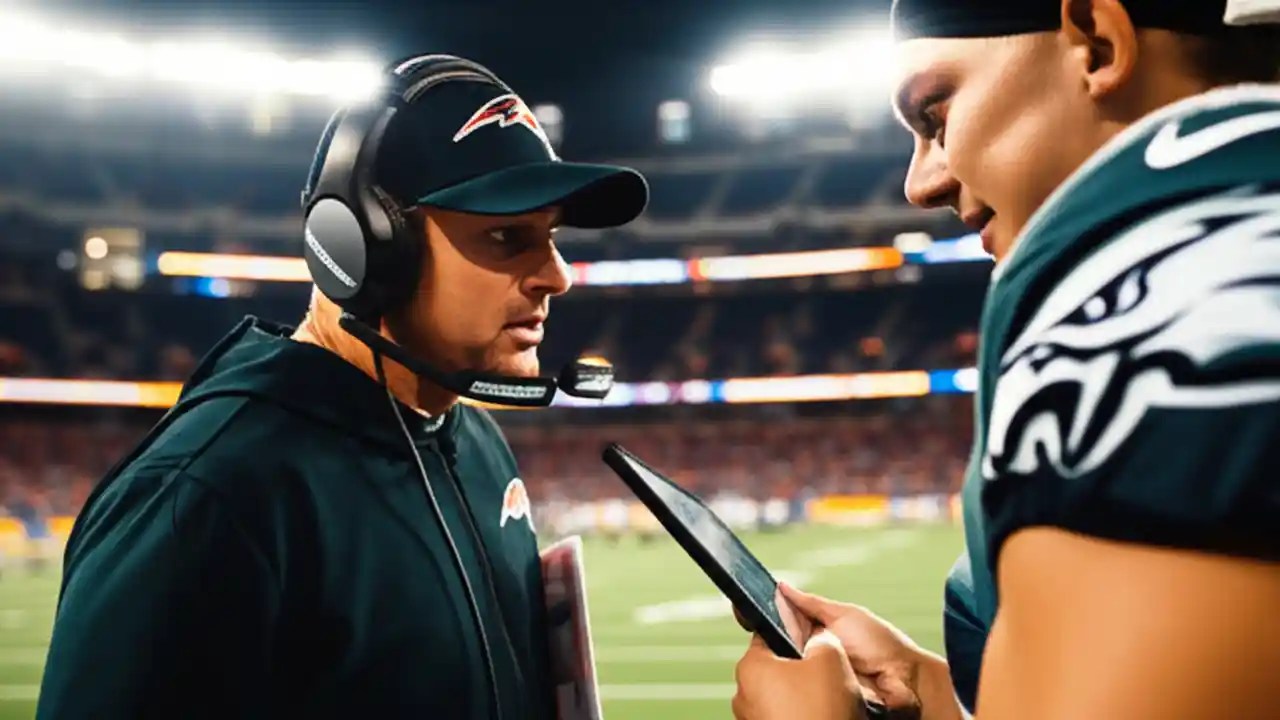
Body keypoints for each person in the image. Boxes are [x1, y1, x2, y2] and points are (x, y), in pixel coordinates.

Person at [37, 54, 648, 719]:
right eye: (507, 236)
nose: (556, 276)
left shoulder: (474, 442)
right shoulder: (210, 495)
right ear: (367, 247)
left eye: (552, 236)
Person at [732, 0, 1280, 718]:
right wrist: (937, 695)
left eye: (934, 114)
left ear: (1094, 42)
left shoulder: (1177, 275)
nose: (919, 183)